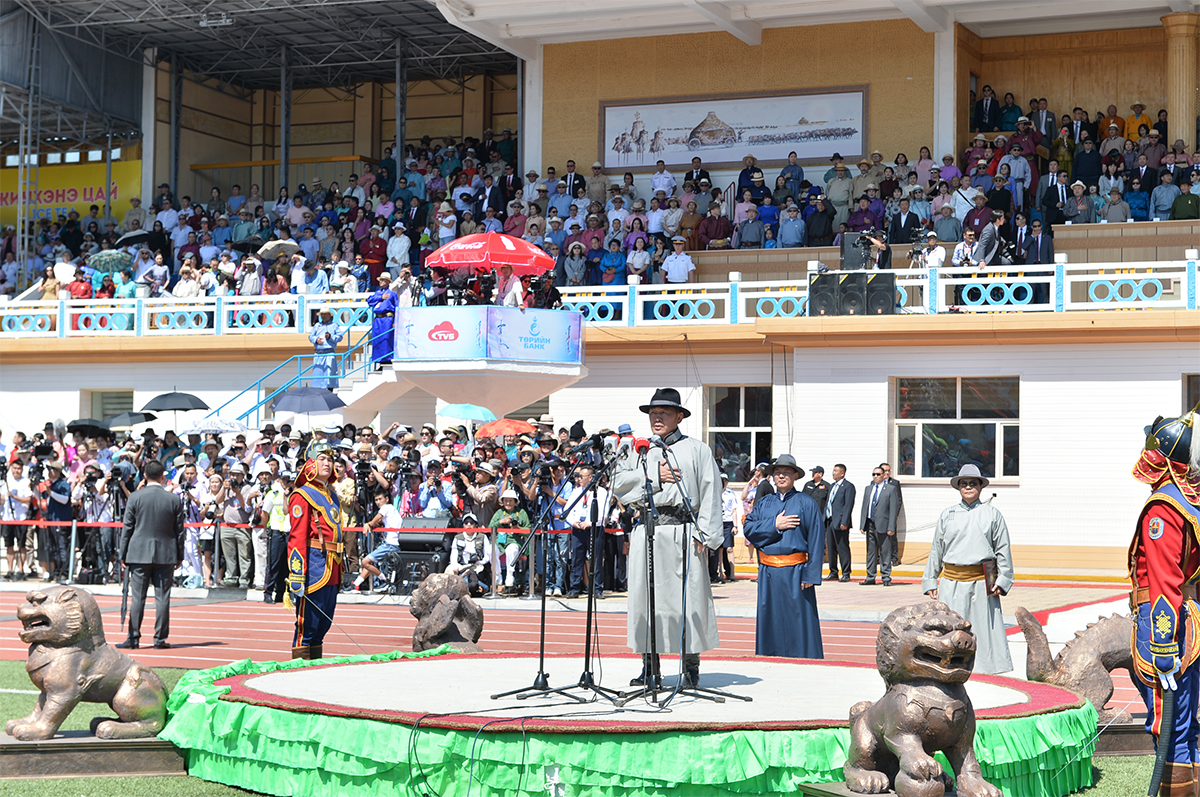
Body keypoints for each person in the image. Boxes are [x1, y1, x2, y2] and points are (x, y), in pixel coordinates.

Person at [613, 388, 722, 688]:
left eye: (664, 412)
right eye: (653, 413)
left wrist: (706, 533)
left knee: (689, 601)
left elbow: (711, 492)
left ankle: (690, 667)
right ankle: (650, 667)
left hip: (684, 531)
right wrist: (654, 477)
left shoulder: (697, 450)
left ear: (679, 416)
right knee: (645, 600)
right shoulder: (638, 451)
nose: (657, 417)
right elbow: (619, 487)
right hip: (646, 529)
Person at [1129, 407, 1200, 796]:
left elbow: (1163, 580)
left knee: (1170, 724)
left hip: (1167, 627)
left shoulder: (1164, 506)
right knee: (1187, 723)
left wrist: (1162, 645)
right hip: (1193, 619)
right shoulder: (1193, 500)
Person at [922, 464, 1014, 674]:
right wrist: (930, 580)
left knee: (982, 629)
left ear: (981, 487)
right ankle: (949, 669)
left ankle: (984, 671)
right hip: (951, 582)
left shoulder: (992, 514)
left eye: (973, 483)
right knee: (950, 630)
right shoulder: (948, 515)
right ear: (959, 487)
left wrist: (1003, 580)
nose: (968, 487)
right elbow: (937, 548)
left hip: (981, 583)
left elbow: (1002, 549)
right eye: (964, 483)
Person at [742, 454, 825, 659]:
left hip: (796, 572)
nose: (781, 476)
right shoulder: (764, 503)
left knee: (798, 620)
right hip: (768, 571)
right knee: (771, 618)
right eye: (778, 472)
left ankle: (804, 659)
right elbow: (749, 528)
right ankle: (769, 657)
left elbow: (816, 538)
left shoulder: (806, 502)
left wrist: (810, 574)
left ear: (795, 476)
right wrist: (773, 526)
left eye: (787, 472)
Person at [117, 460, 185, 650]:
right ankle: (159, 639)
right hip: (165, 553)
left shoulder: (135, 497)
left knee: (138, 598)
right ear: (163, 476)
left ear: (144, 476)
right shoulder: (173, 499)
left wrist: (123, 553)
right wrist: (180, 555)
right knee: (163, 598)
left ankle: (133, 638)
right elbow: (180, 531)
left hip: (138, 553)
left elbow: (127, 528)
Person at [287, 441, 343, 660]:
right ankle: (298, 670)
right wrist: (297, 574)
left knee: (324, 625)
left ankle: (314, 669)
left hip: (332, 566)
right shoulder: (302, 495)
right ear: (310, 463)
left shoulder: (332, 495)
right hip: (314, 566)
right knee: (307, 626)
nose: (328, 463)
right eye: (322, 458)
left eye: (330, 459)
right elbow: (297, 537)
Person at [859, 464, 901, 586]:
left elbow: (893, 509)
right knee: (871, 552)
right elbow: (864, 507)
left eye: (878, 474)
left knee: (885, 551)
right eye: (874, 474)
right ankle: (870, 576)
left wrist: (891, 527)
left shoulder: (890, 489)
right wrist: (862, 524)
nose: (876, 476)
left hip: (884, 524)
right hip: (870, 524)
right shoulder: (869, 488)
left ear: (884, 475)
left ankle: (886, 576)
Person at [260, 469, 294, 604]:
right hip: (276, 532)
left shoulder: (294, 493)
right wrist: (266, 528)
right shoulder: (273, 493)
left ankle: (281, 593)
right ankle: (267, 593)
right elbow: (264, 513)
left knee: (287, 565)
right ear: (280, 479)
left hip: (290, 532)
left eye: (290, 480)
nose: (288, 483)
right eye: (285, 480)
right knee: (273, 564)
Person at [824, 464, 855, 582]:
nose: (833, 473)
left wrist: (845, 521)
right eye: (833, 470)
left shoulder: (848, 486)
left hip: (841, 521)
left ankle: (846, 572)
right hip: (830, 520)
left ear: (842, 473)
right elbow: (829, 503)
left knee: (842, 547)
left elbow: (848, 505)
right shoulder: (832, 486)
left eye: (836, 471)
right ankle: (833, 572)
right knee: (831, 548)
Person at [309, 308, 345, 390]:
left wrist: (330, 337)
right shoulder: (317, 326)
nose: (324, 316)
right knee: (318, 375)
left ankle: (330, 392)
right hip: (318, 353)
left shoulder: (334, 326)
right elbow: (311, 336)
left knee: (329, 375)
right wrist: (316, 340)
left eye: (325, 314)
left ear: (329, 315)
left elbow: (340, 337)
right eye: (322, 314)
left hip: (329, 353)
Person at [366, 272, 397, 367]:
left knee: (386, 338)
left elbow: (397, 307)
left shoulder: (392, 293)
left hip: (387, 318)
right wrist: (380, 297)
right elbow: (369, 301)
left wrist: (395, 321)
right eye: (380, 280)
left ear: (388, 282)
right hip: (378, 319)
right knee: (377, 339)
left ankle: (387, 360)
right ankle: (379, 361)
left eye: (383, 280)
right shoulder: (377, 293)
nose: (381, 282)